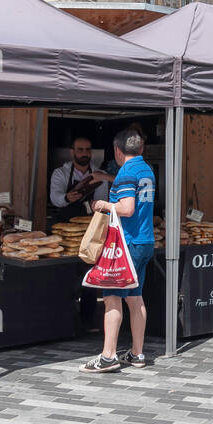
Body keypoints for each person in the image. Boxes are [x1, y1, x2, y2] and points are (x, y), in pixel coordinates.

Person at [83, 128, 155, 373]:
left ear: (117, 150)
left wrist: (102, 204)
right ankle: (137, 353)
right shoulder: (146, 169)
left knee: (112, 298)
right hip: (145, 241)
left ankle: (108, 356)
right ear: (141, 149)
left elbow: (127, 208)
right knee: (135, 299)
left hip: (126, 244)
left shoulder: (126, 171)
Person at [49, 135, 112, 222]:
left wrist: (93, 205)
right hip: (65, 223)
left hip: (90, 223)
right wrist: (66, 198)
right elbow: (55, 198)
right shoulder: (60, 173)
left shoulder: (101, 175)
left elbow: (101, 200)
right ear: (72, 152)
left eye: (88, 149)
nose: (84, 153)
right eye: (80, 149)